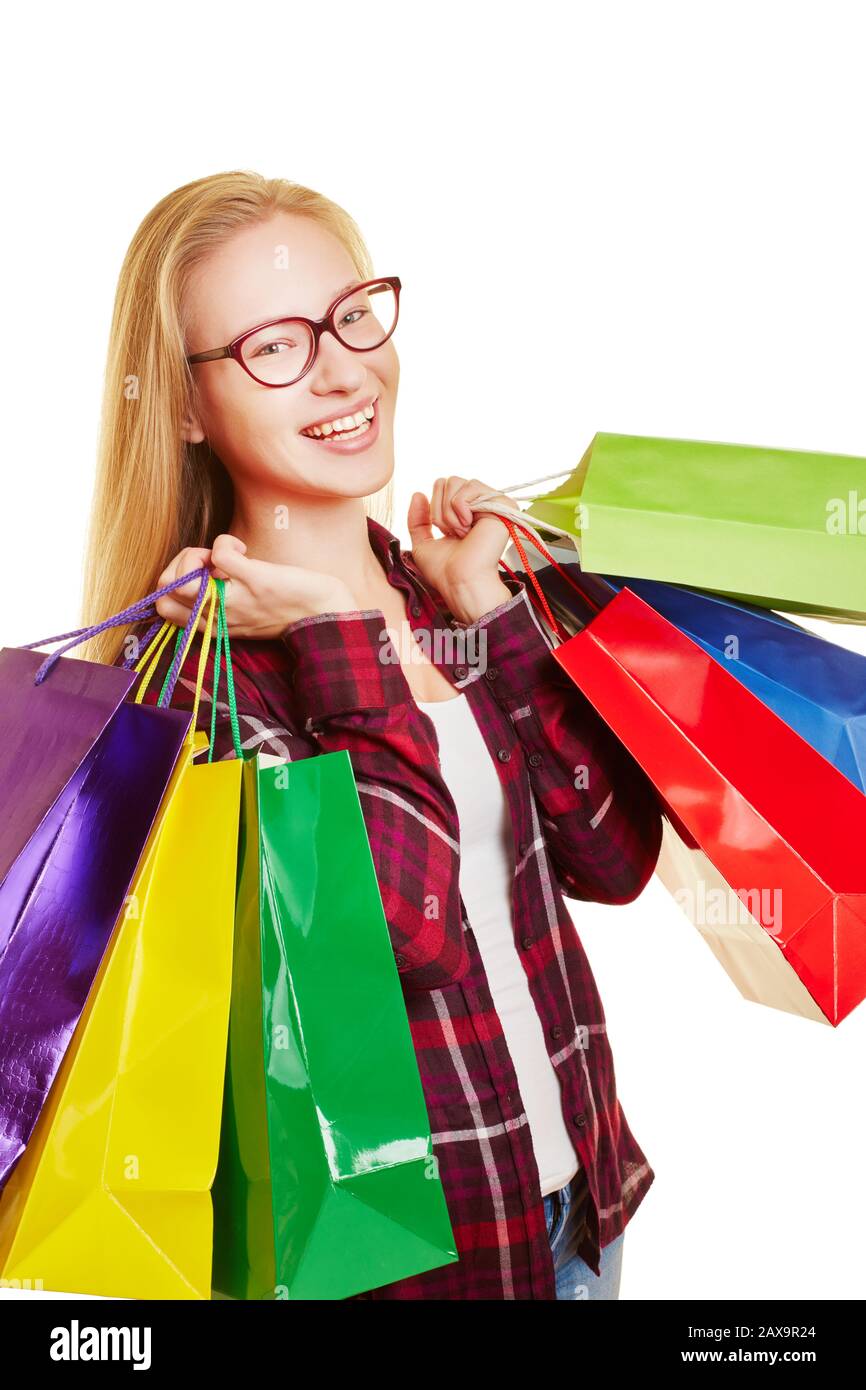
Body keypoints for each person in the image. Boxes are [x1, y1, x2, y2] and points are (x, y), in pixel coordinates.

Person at [83, 170, 664, 1300]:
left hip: (580, 1214)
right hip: (421, 1272)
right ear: (189, 408)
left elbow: (613, 858)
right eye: (274, 346)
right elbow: (410, 930)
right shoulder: (200, 685)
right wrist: (336, 638)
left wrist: (500, 617)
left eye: (350, 316)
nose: (344, 369)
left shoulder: (439, 598)